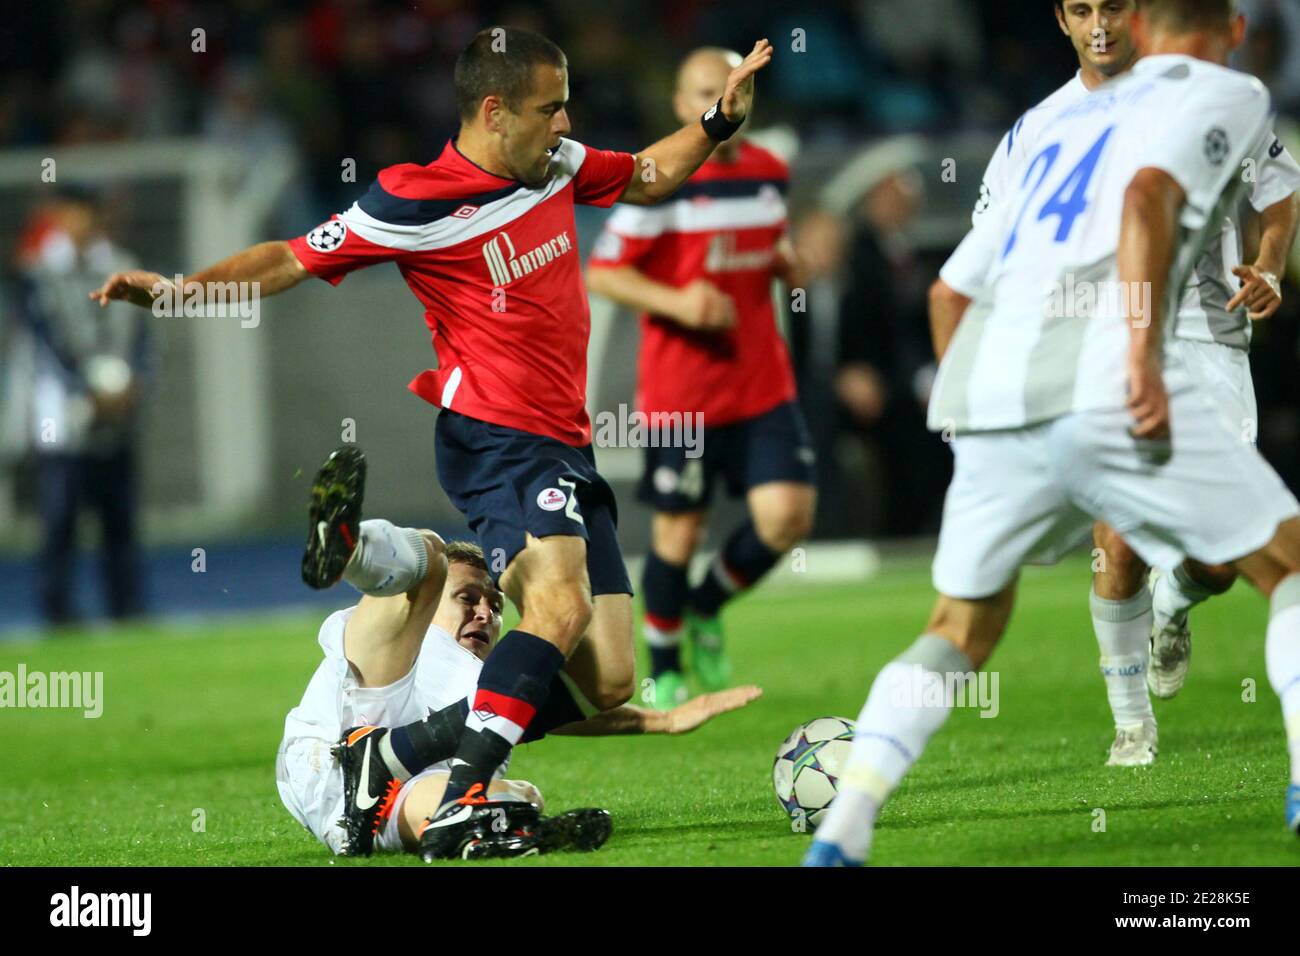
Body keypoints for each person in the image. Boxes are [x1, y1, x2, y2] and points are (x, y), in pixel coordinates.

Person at [91, 27, 774, 859]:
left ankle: (387, 756)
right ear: (494, 111)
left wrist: (714, 123)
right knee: (558, 605)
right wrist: (175, 295)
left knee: (608, 679)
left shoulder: (552, 164)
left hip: (568, 444)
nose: (565, 124)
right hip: (498, 437)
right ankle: (461, 792)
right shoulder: (413, 200)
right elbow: (288, 257)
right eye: (549, 108)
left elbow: (646, 174)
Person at [806, 0, 1300, 866]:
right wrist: (1141, 357)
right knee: (1288, 565)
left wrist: (966, 427)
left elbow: (947, 292)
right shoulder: (1224, 92)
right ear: (1228, 29)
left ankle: (846, 828)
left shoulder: (1051, 126)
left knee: (958, 628)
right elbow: (1150, 196)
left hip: (1001, 386)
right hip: (1118, 369)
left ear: (1138, 20)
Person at [931, 0, 1299, 766]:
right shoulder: (1036, 127)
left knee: (1223, 557)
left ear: (1138, 14)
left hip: (1208, 330)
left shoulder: (1206, 93)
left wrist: (1267, 264)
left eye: (1110, 8)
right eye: (1080, 9)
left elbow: (1278, 188)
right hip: (1094, 342)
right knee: (1118, 540)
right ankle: (1131, 724)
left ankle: (1176, 601)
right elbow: (982, 258)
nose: (1098, 25)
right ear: (1061, 20)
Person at [278, 447, 762, 859]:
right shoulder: (428, 644)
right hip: (338, 746)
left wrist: (657, 721)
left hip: (373, 807)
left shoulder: (494, 678)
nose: (485, 613)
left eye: (495, 604)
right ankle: (351, 550)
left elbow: (551, 707)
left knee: (518, 793)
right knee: (432, 555)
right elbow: (556, 705)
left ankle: (481, 831)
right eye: (468, 598)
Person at [586, 47, 815, 709]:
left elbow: (761, 241)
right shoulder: (662, 179)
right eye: (704, 92)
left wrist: (783, 262)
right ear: (683, 108)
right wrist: (681, 302)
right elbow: (602, 272)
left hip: (760, 380)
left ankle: (705, 607)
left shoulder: (770, 172)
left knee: (787, 517)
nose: (723, 101)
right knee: (678, 534)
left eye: (733, 89)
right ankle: (665, 667)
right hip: (683, 394)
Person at [19, 188, 155, 625]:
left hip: (119, 412)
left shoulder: (124, 264)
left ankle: (127, 607)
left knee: (120, 519)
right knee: (60, 521)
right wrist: (85, 389)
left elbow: (144, 335)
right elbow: (44, 340)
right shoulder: (38, 273)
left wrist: (134, 383)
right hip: (63, 417)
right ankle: (57, 611)